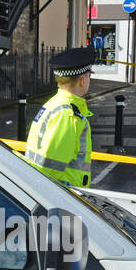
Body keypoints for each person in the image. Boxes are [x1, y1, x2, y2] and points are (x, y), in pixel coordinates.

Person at [23, 46, 95, 188]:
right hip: (64, 194)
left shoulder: (56, 104)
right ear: (82, 80)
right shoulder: (67, 114)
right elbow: (49, 170)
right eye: (89, 76)